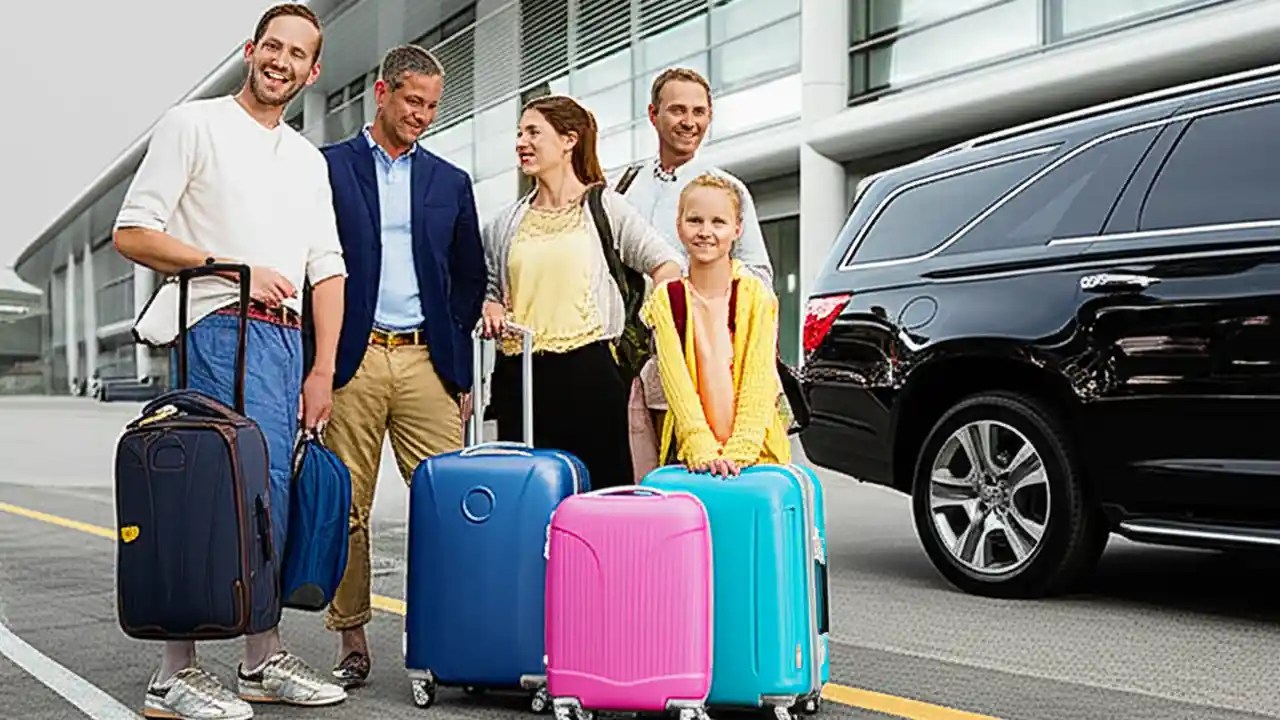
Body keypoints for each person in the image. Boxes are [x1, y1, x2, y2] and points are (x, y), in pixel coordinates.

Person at [112, 4, 348, 718]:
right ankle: (173, 672)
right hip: (216, 323)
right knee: (204, 494)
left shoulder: (307, 159)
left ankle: (259, 659)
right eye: (270, 45)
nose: (281, 60)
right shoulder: (195, 124)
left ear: (313, 72)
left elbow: (327, 267)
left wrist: (322, 370)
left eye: (297, 53)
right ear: (251, 50)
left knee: (266, 499)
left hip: (285, 343)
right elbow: (133, 231)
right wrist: (227, 265)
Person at [316, 44, 486, 689]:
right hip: (353, 363)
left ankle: (455, 634)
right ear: (381, 94)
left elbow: (469, 276)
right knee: (348, 507)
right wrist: (320, 364)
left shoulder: (449, 181)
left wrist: (457, 365)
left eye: (433, 105)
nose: (423, 115)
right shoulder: (328, 168)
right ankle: (352, 638)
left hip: (426, 362)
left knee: (452, 505)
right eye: (413, 101)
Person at [480, 94, 682, 488]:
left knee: (601, 491)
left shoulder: (606, 207)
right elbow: (489, 283)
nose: (522, 142)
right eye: (519, 133)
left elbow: (666, 264)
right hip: (520, 376)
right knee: (527, 497)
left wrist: (654, 321)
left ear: (569, 139)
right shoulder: (505, 223)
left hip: (590, 372)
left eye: (533, 132)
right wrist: (489, 302)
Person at [640, 173, 791, 476]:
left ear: (737, 229)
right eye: (695, 220)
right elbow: (676, 384)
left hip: (757, 456)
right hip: (691, 459)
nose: (705, 231)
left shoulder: (756, 296)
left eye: (718, 222)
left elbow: (759, 379)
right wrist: (700, 447)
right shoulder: (666, 300)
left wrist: (741, 451)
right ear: (678, 227)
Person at [611, 67, 773, 285]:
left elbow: (760, 278)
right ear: (653, 114)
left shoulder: (728, 189)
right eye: (677, 111)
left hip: (695, 317)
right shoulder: (623, 186)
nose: (689, 122)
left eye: (698, 112)